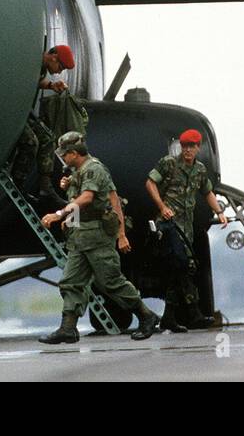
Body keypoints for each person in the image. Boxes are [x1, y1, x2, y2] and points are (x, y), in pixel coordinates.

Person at [38, 132, 160, 344]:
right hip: (79, 238)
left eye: (65, 155)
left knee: (111, 282)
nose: (63, 160)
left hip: (97, 237)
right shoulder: (79, 172)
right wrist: (71, 220)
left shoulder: (94, 169)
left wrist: (59, 215)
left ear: (74, 153)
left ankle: (146, 315)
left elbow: (90, 199)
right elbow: (82, 201)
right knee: (70, 282)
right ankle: (68, 328)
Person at [145, 129, 228, 331]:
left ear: (198, 148)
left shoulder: (199, 170)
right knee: (182, 265)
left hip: (186, 227)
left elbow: (207, 191)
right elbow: (150, 182)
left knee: (179, 269)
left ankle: (169, 317)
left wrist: (219, 211)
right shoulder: (169, 163)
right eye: (184, 146)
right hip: (169, 225)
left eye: (191, 146)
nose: (188, 150)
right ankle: (194, 313)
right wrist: (162, 207)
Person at [11, 45, 83, 202]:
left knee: (47, 137)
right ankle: (17, 184)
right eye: (60, 66)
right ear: (53, 57)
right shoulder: (30, 61)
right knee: (31, 142)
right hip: (10, 109)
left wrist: (51, 85)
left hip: (21, 111)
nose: (59, 71)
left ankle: (45, 187)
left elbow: (37, 80)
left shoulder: (40, 67)